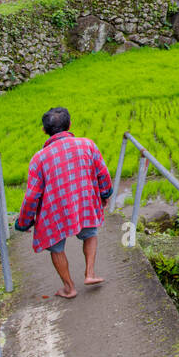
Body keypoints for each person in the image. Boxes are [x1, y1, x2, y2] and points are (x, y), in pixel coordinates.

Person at [14, 107, 113, 299]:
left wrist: (24, 222)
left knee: (56, 247)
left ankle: (69, 288)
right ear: (69, 125)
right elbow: (103, 173)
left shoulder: (38, 159)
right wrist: (105, 194)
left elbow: (32, 196)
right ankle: (90, 273)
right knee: (90, 233)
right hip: (84, 203)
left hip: (54, 211)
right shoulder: (88, 145)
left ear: (44, 130)